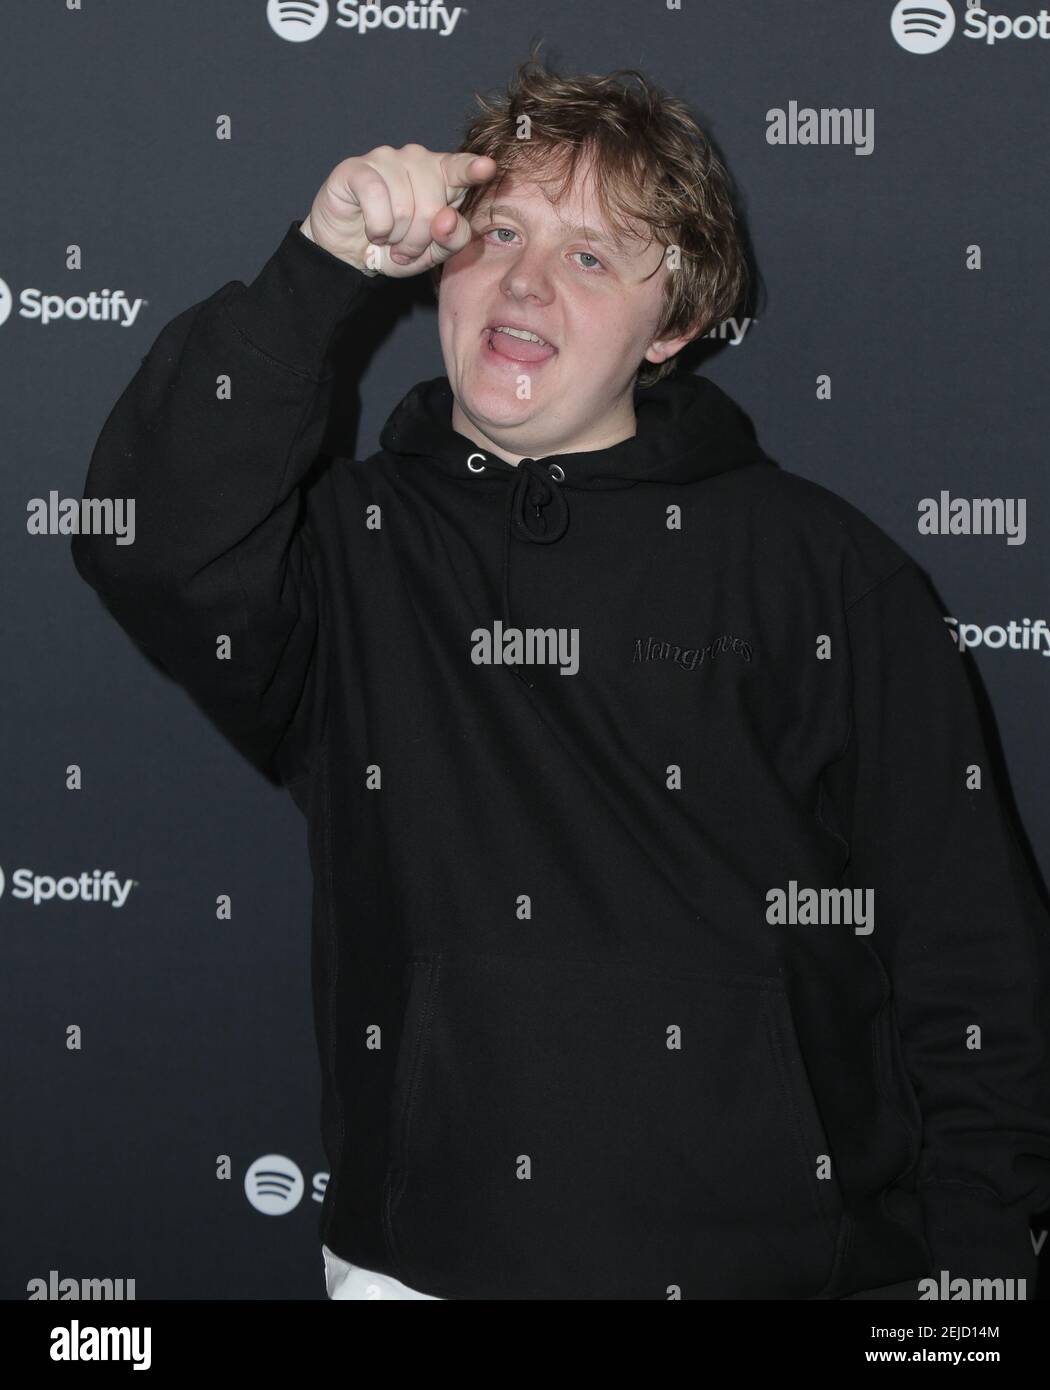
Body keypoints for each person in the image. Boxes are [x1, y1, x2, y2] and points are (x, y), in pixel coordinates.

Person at [71, 53, 1050, 1301]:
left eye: (591, 255)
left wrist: (979, 1284)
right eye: (499, 232)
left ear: (675, 324)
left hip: (795, 1274)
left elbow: (970, 952)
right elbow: (147, 535)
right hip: (423, 1273)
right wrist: (318, 263)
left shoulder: (828, 573)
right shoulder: (350, 551)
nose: (525, 280)